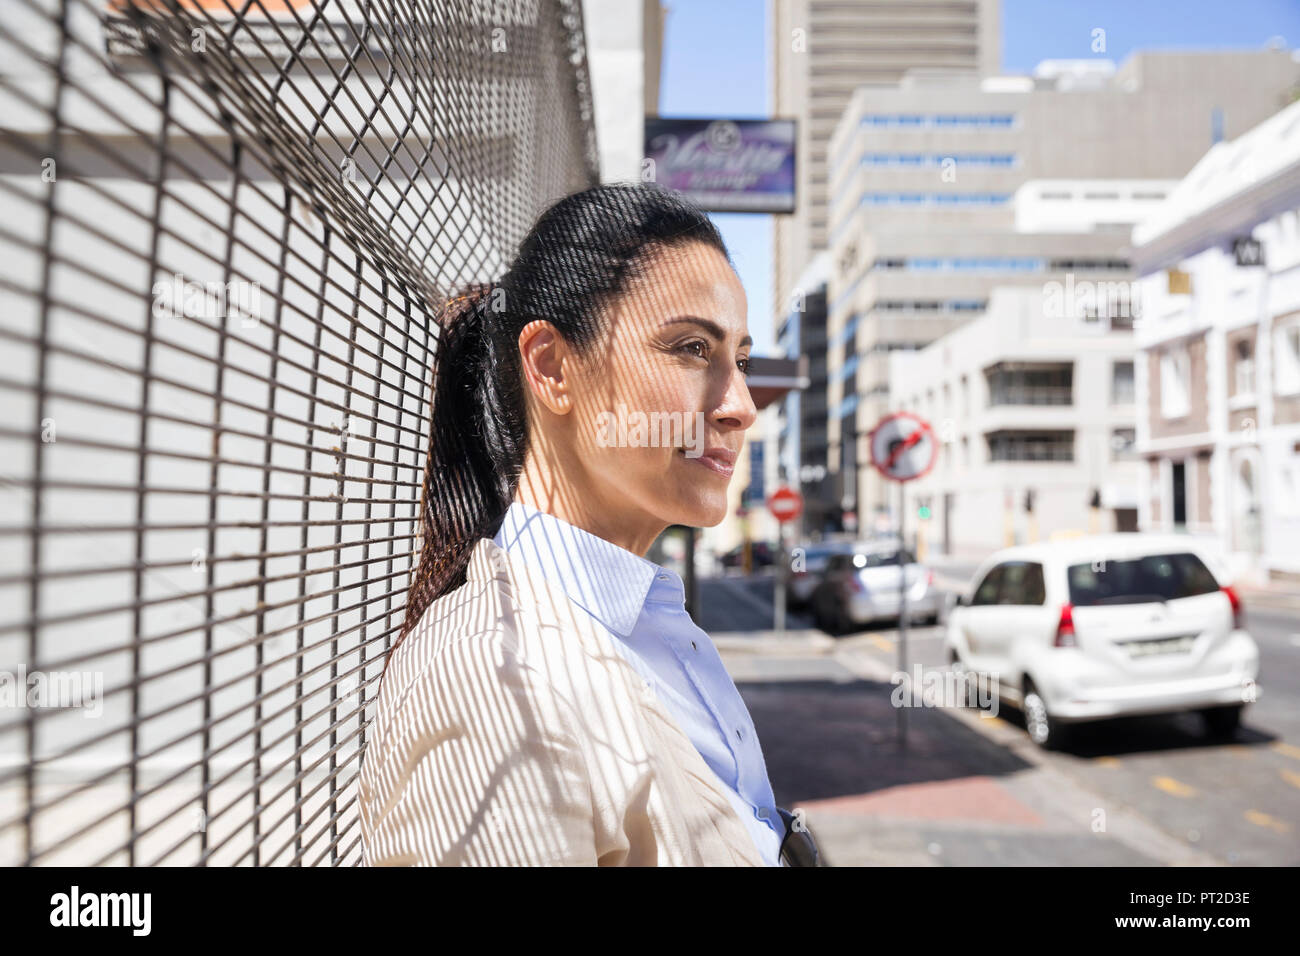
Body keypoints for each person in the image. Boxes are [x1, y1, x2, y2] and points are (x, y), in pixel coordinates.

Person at [358, 182, 816, 866]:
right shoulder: (497, 682)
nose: (741, 406)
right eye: (693, 348)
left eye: (740, 362)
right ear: (552, 367)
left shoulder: (654, 627)